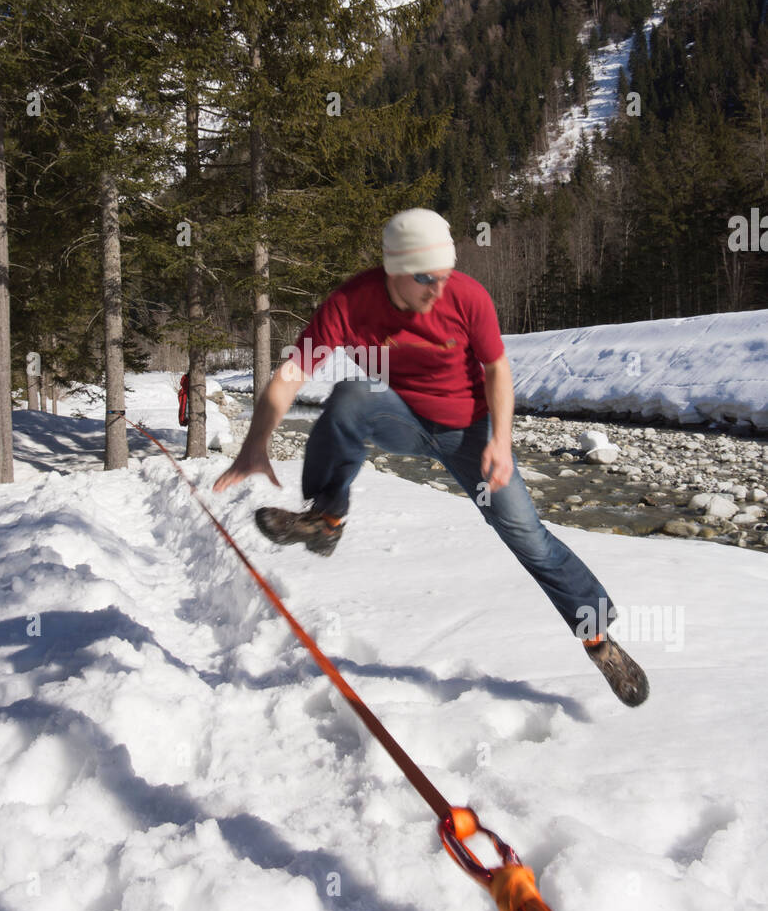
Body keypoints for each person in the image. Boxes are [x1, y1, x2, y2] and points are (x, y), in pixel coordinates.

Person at [213, 209, 648, 707]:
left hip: (472, 432)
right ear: (393, 269)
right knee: (351, 395)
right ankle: (327, 517)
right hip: (403, 420)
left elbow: (497, 370)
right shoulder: (351, 305)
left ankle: (599, 640)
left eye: (443, 274)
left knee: (528, 536)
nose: (437, 288)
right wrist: (255, 443)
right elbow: (292, 375)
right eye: (424, 278)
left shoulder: (466, 296)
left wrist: (501, 440)